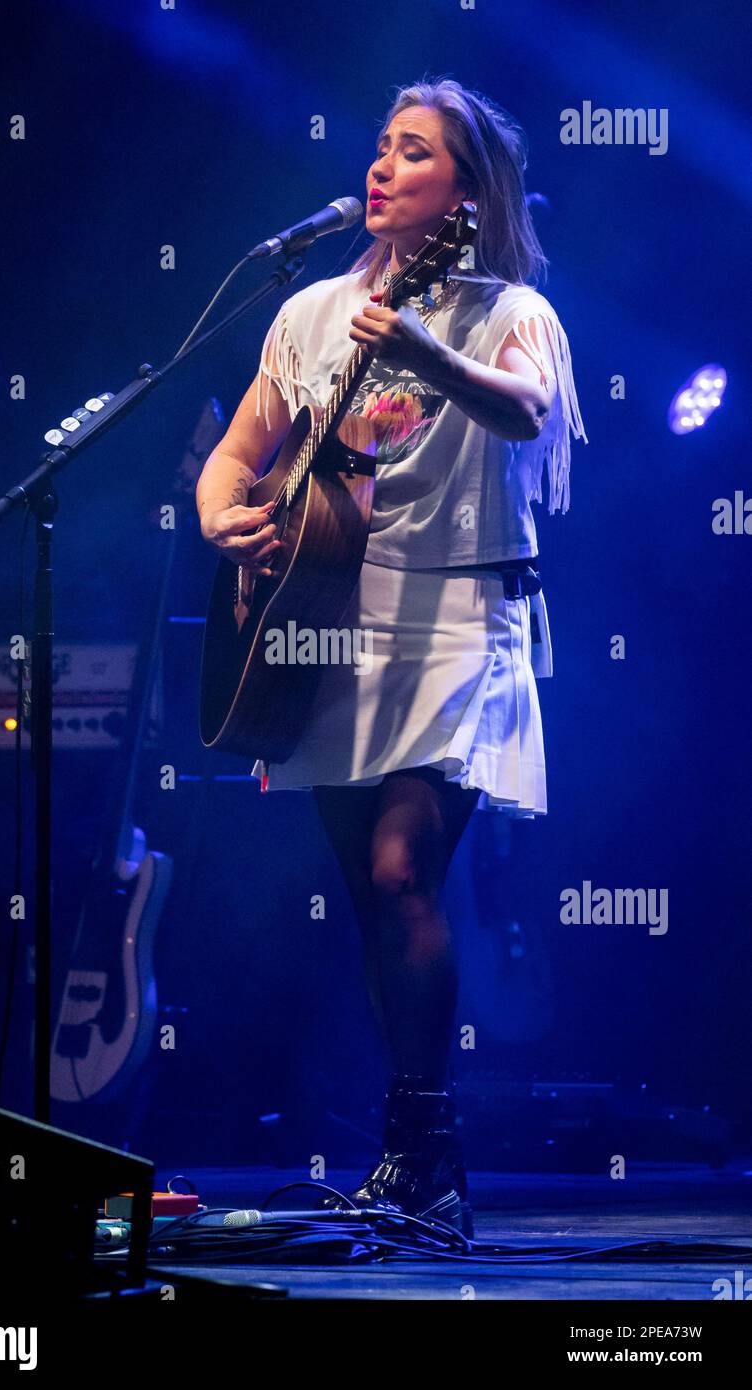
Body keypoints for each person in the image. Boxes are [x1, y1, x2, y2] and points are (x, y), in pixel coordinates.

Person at [196, 78, 586, 1235]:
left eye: (413, 152)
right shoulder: (310, 312)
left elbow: (524, 410)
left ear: (465, 194)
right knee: (369, 898)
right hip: (328, 617)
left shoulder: (511, 310)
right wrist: (222, 515)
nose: (381, 166)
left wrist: (424, 348)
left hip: (458, 618)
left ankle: (430, 1149)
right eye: (380, 146)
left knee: (401, 871)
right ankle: (412, 1159)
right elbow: (239, 451)